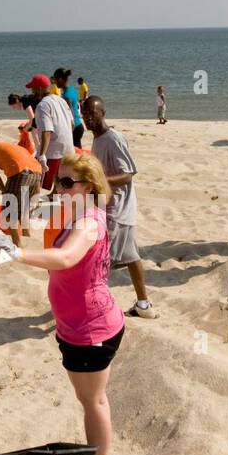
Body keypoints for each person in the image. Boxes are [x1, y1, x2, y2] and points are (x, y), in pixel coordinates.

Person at [0, 152, 123, 455]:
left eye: (66, 183)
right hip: (82, 322)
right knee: (93, 399)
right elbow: (41, 224)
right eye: (56, 180)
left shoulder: (89, 221)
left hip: (91, 328)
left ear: (88, 186)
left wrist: (15, 254)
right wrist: (4, 227)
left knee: (94, 402)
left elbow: (65, 257)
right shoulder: (76, 210)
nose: (58, 188)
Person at [83, 96, 156, 319]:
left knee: (100, 264)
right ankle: (144, 305)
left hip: (117, 211)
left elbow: (128, 174)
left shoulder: (113, 138)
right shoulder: (97, 139)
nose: (88, 119)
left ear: (103, 113)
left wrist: (98, 182)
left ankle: (97, 310)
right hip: (113, 209)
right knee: (131, 257)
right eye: (85, 114)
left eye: (92, 114)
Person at [0, 139, 42, 246]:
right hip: (37, 173)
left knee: (10, 212)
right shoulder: (19, 149)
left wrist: (4, 191)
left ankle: (17, 244)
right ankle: (27, 235)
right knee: (24, 208)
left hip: (20, 173)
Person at [26, 73, 74, 191]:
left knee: (40, 186)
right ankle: (54, 197)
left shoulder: (42, 106)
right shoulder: (60, 100)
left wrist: (42, 155)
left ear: (40, 88)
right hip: (68, 150)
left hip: (53, 154)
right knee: (58, 185)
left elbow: (47, 131)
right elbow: (72, 124)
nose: (32, 91)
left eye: (33, 88)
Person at [59, 67, 86, 149]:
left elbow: (69, 115)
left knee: (75, 156)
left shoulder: (66, 96)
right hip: (79, 125)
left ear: (60, 79)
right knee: (78, 154)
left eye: (55, 80)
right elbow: (76, 107)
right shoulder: (73, 90)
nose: (54, 82)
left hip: (74, 128)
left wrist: (68, 132)